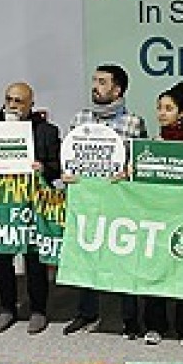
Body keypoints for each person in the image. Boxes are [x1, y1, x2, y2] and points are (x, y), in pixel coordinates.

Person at [63, 64, 148, 338]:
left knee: (124, 257)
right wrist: (66, 174)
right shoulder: (80, 119)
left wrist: (129, 172)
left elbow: (141, 162)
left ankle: (130, 319)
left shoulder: (134, 122)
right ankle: (86, 313)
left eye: (102, 81)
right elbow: (68, 156)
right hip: (86, 200)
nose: (95, 86)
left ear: (117, 89)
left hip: (120, 201)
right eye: (94, 80)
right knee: (86, 255)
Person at [0, 82, 61, 335]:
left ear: (31, 104)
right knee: (1, 258)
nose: (13, 105)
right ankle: (7, 308)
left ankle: (38, 309)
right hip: (0, 205)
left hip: (32, 205)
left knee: (34, 259)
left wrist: (44, 168)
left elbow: (57, 166)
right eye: (9, 99)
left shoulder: (47, 131)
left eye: (19, 101)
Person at [141, 89, 183, 347]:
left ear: (180, 112)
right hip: (157, 217)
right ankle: (155, 326)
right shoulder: (150, 144)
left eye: (168, 108)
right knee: (156, 271)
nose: (162, 113)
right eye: (159, 108)